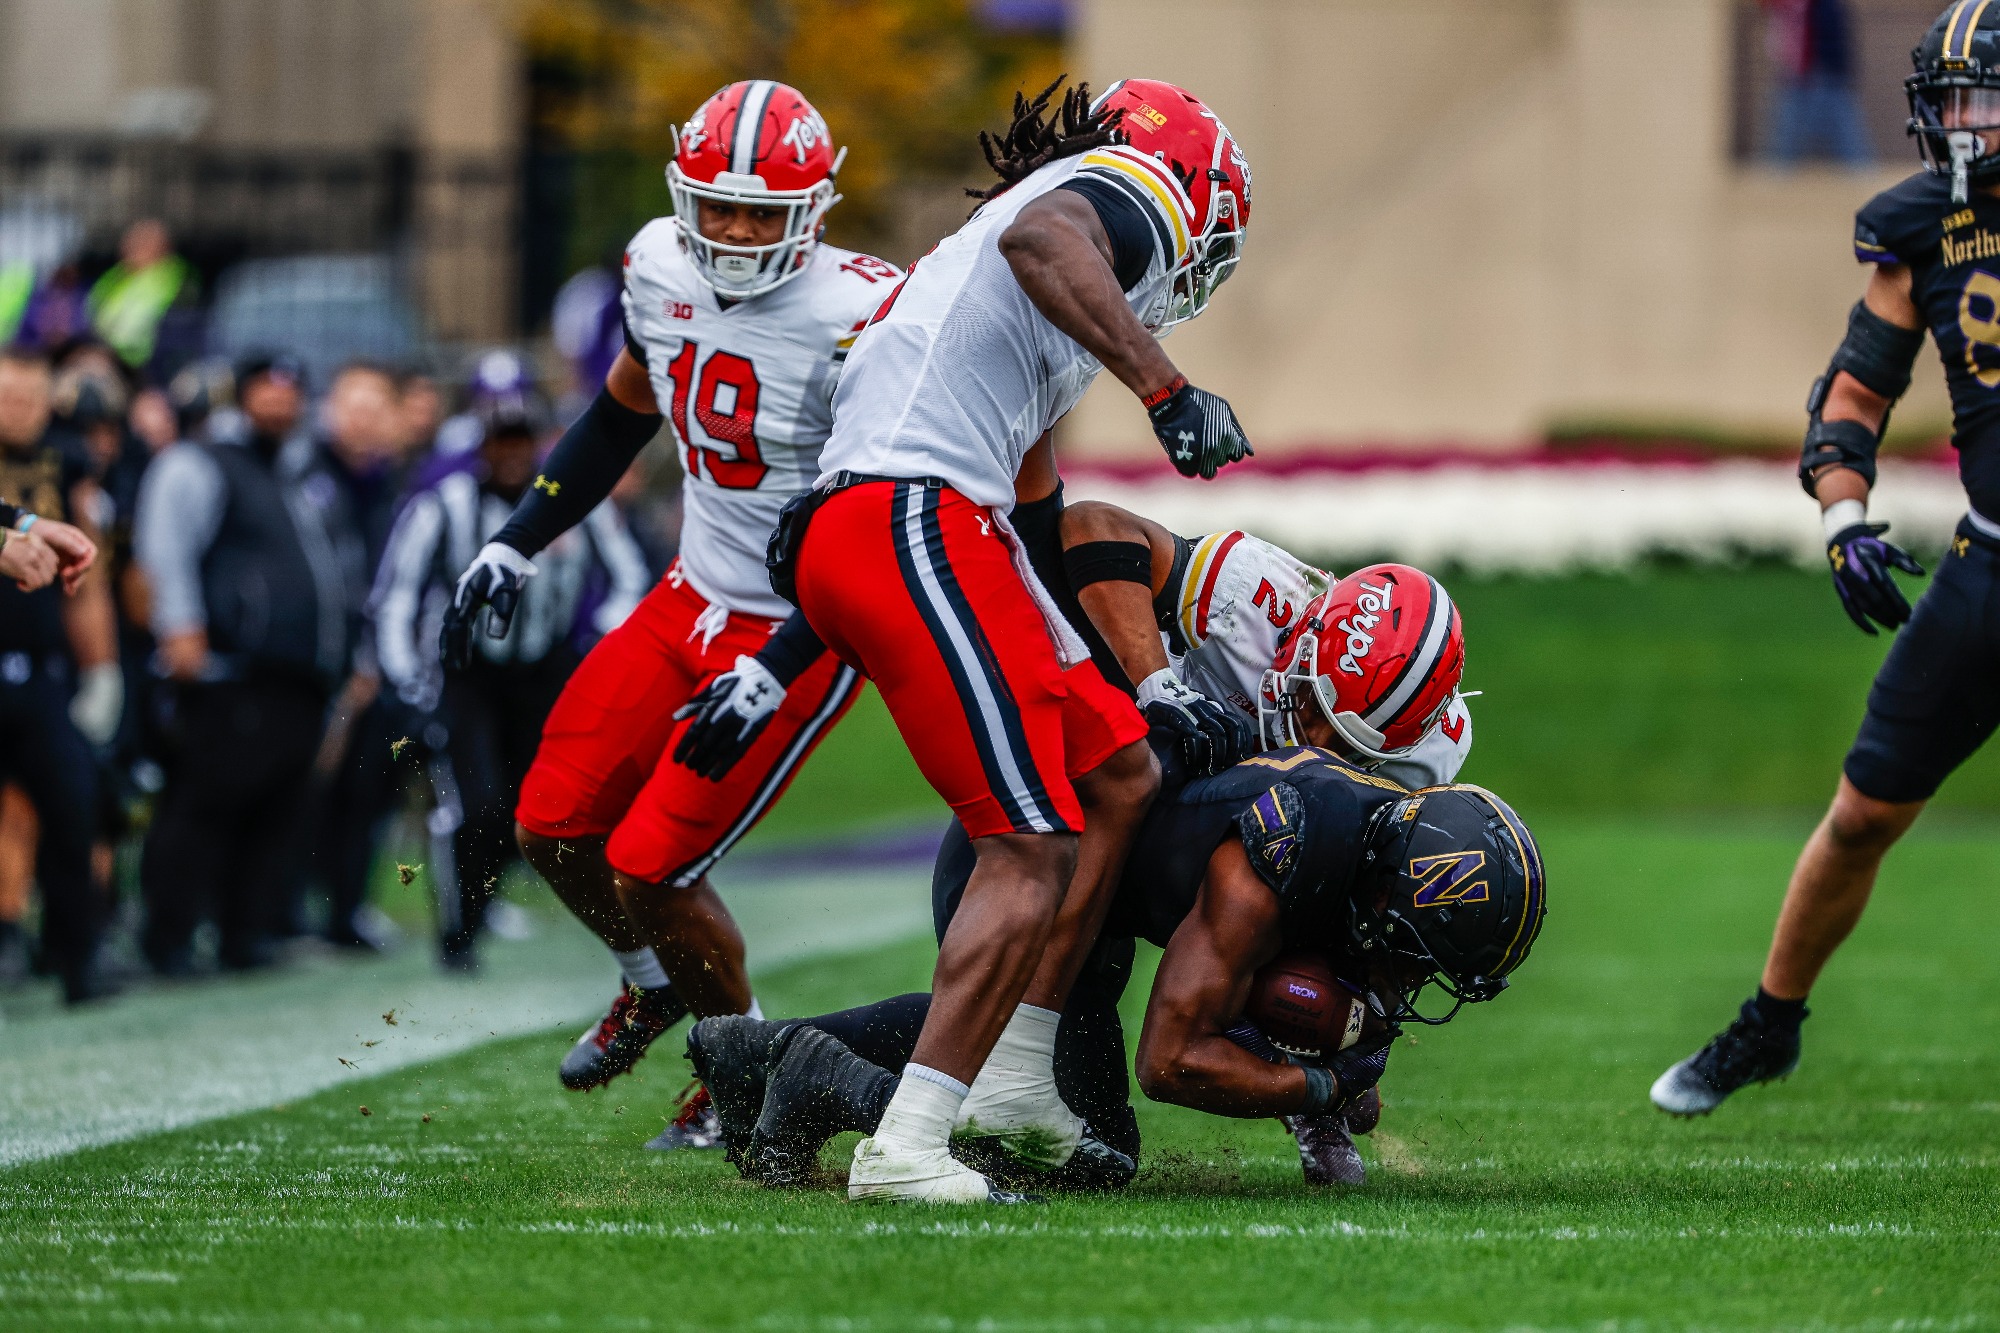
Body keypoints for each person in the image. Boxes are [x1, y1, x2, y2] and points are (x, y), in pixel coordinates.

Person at [676, 77, 1253, 1203]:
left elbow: (1035, 522)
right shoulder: (1088, 206)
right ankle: (907, 1143)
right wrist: (1166, 387)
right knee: (1029, 844)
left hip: (925, 526)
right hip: (913, 520)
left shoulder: (1009, 291)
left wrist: (1152, 679)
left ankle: (1016, 1078)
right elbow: (1049, 238)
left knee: (1121, 768)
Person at [438, 82, 902, 1132]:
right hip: (686, 594)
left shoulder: (867, 312)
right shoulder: (654, 264)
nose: (733, 233)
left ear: (815, 210)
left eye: (760, 213)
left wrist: (782, 656)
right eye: (717, 206)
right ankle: (653, 984)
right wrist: (518, 538)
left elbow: (885, 514)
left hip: (806, 622)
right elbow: (618, 416)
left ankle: (741, 1074)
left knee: (652, 864)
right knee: (551, 825)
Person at [1653, 3, 2000, 1115]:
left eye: (1980, 98)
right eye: (1946, 100)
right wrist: (1842, 521)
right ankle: (1769, 1023)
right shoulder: (1921, 228)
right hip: (1987, 569)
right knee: (1859, 814)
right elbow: (1850, 402)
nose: (1959, 123)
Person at [690, 762, 1546, 1192]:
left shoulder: (1360, 837)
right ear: (1402, 896)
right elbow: (1170, 1059)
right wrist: (1315, 1084)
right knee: (1080, 1153)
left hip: (1082, 916)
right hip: (1030, 883)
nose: (1413, 978)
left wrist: (1332, 1074)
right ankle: (823, 1081)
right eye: (1418, 954)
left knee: (1075, 1119)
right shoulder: (1282, 864)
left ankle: (756, 1049)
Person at [374, 403, 648, 967]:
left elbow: (629, 577)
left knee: (534, 808)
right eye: (501, 441)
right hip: (470, 676)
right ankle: (459, 931)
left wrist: (598, 643)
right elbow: (396, 598)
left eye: (522, 440)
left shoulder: (575, 500)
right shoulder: (444, 508)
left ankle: (491, 902)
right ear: (480, 446)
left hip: (543, 673)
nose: (512, 453)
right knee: (477, 806)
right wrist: (408, 681)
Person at [133, 353, 366, 973]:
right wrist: (178, 626)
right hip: (232, 670)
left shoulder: (305, 473)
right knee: (206, 804)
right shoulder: (201, 461)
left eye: (289, 391)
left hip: (301, 675)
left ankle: (247, 933)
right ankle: (170, 937)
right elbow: (165, 548)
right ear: (240, 396)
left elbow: (341, 567)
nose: (278, 401)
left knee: (277, 810)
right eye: (266, 389)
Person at [1051, 501, 1473, 789]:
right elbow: (1092, 523)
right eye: (1311, 703)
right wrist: (1156, 681)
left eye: (1345, 745)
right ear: (1304, 635)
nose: (1312, 742)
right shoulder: (1250, 596)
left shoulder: (1431, 752)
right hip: (1161, 757)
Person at [0, 346, 121, 1001]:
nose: (17, 409)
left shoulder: (68, 460)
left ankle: (79, 956)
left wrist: (101, 670)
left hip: (42, 673)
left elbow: (92, 578)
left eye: (28, 396)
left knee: (75, 808)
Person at [1763, 0, 1872, 166]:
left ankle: (1863, 175)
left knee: (1845, 135)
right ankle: (1775, 175)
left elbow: (1831, 38)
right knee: (1788, 136)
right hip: (1805, 76)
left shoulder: (1821, 6)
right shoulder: (1801, 7)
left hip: (1820, 75)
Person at [87, 221, 194, 376]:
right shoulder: (115, 277)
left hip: (148, 367)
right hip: (107, 358)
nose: (129, 250)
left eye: (139, 245)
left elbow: (169, 335)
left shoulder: (176, 282)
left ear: (161, 248)